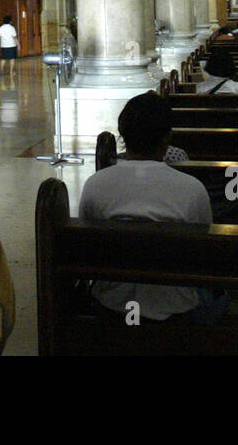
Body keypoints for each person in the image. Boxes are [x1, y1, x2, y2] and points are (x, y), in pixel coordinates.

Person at [79, 92, 228, 324]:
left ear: (124, 136)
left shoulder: (95, 185)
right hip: (177, 311)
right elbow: (203, 254)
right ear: (168, 138)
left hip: (113, 307)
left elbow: (88, 250)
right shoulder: (191, 189)